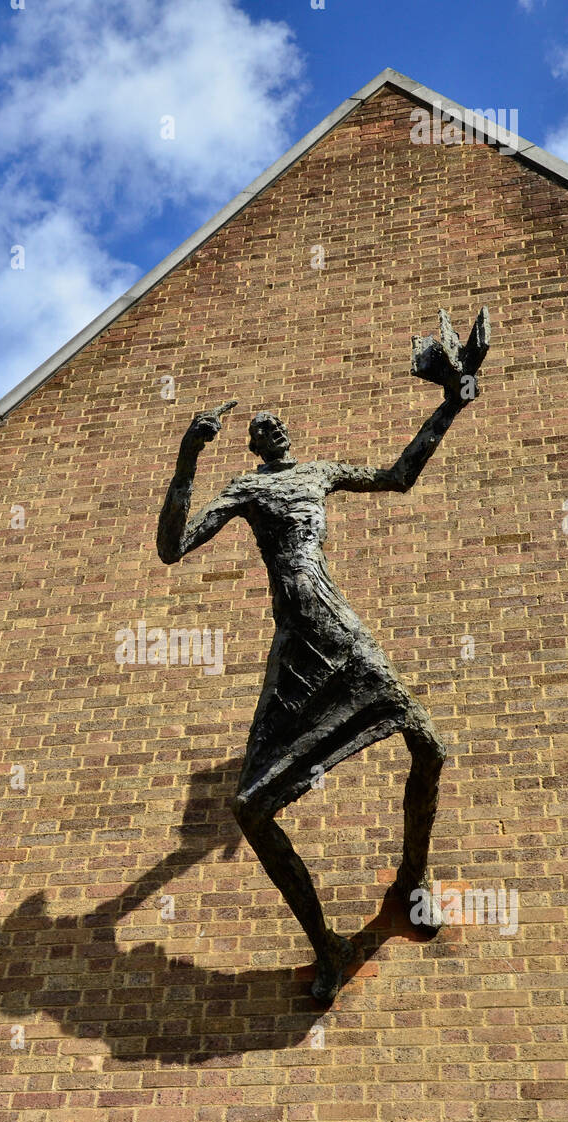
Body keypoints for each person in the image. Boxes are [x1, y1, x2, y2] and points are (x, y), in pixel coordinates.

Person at [157, 310, 489, 1000]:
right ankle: (327, 946)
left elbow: (399, 476)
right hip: (297, 653)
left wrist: (447, 406)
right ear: (250, 445)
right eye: (258, 426)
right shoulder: (247, 490)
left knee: (428, 745)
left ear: (290, 436)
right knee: (250, 808)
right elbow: (172, 546)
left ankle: (411, 878)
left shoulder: (318, 474)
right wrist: (188, 456)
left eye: (276, 421)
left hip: (341, 632)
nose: (269, 425)